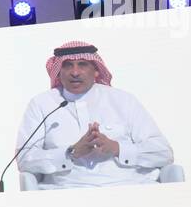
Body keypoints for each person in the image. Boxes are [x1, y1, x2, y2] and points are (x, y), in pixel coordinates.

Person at [15, 40, 174, 189]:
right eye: (68, 66)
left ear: (97, 71)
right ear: (58, 72)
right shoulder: (42, 104)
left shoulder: (123, 100)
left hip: (128, 187)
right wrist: (71, 152)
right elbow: (25, 159)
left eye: (82, 64)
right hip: (67, 193)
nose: (75, 72)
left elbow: (163, 153)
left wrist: (117, 148)